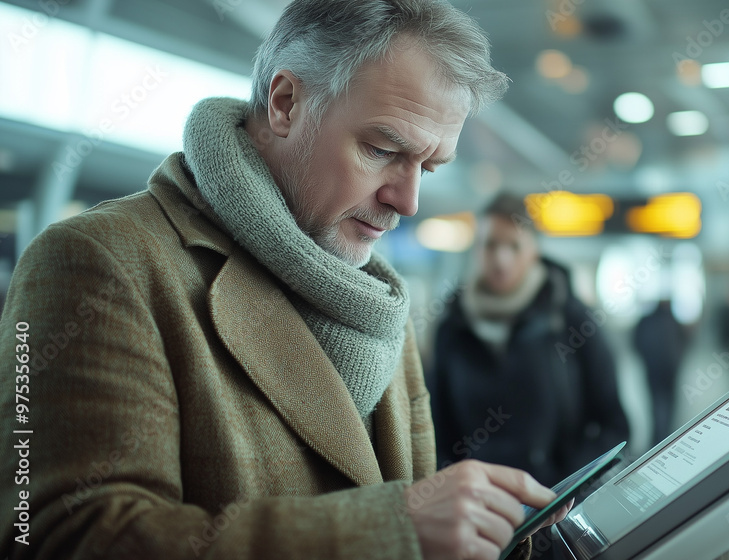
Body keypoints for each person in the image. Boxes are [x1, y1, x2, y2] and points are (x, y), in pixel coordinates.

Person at [0, 2, 570, 559]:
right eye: (382, 149)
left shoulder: (376, 300)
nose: (409, 199)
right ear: (285, 102)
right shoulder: (97, 261)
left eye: (430, 166)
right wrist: (389, 528)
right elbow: (54, 537)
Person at [430, 194, 630, 490]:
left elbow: (614, 427)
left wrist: (566, 490)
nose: (501, 259)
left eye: (514, 245)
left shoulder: (570, 318)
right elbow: (437, 433)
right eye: (490, 245)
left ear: (534, 250)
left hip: (557, 507)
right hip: (479, 512)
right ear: (476, 250)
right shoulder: (452, 326)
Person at [634, 299, 688, 445]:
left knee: (660, 404)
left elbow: (637, 342)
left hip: (658, 370)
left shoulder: (648, 321)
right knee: (663, 404)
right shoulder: (671, 321)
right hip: (664, 370)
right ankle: (662, 438)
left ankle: (661, 438)